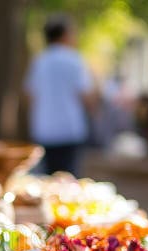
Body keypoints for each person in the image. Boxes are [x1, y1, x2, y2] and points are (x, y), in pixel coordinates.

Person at [24, 15, 95, 177]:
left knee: (47, 179)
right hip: (70, 129)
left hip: (44, 129)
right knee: (69, 180)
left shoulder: (39, 61)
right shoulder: (74, 60)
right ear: (65, 35)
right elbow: (86, 95)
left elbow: (30, 95)